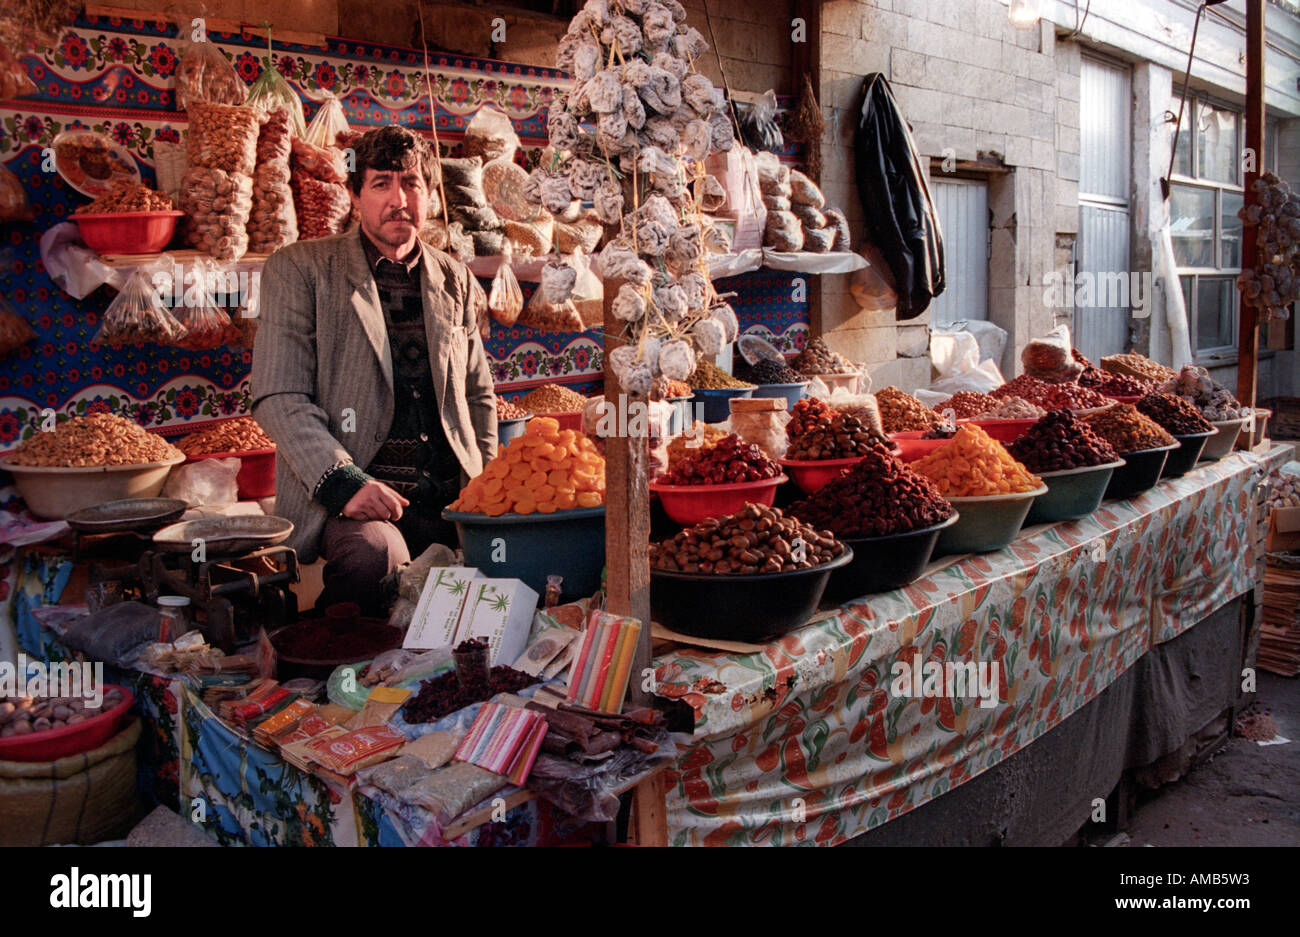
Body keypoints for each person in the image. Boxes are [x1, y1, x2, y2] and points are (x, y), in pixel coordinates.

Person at [252, 125, 496, 616]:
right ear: (355, 194)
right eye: (381, 184)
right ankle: (330, 664)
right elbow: (279, 396)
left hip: (449, 496)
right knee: (375, 557)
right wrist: (345, 483)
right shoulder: (300, 269)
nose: (398, 199)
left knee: (507, 567)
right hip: (356, 495)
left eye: (411, 183)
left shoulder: (454, 278)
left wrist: (488, 485)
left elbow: (478, 396)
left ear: (429, 193)